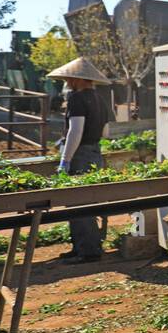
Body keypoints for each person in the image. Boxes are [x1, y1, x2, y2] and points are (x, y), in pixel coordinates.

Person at [47, 58, 111, 264]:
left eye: (68, 77)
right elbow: (106, 131)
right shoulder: (101, 99)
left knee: (78, 204)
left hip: (80, 154)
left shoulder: (77, 99)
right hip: (95, 152)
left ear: (77, 79)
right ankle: (81, 247)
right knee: (87, 202)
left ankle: (89, 252)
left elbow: (76, 131)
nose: (66, 80)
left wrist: (65, 160)